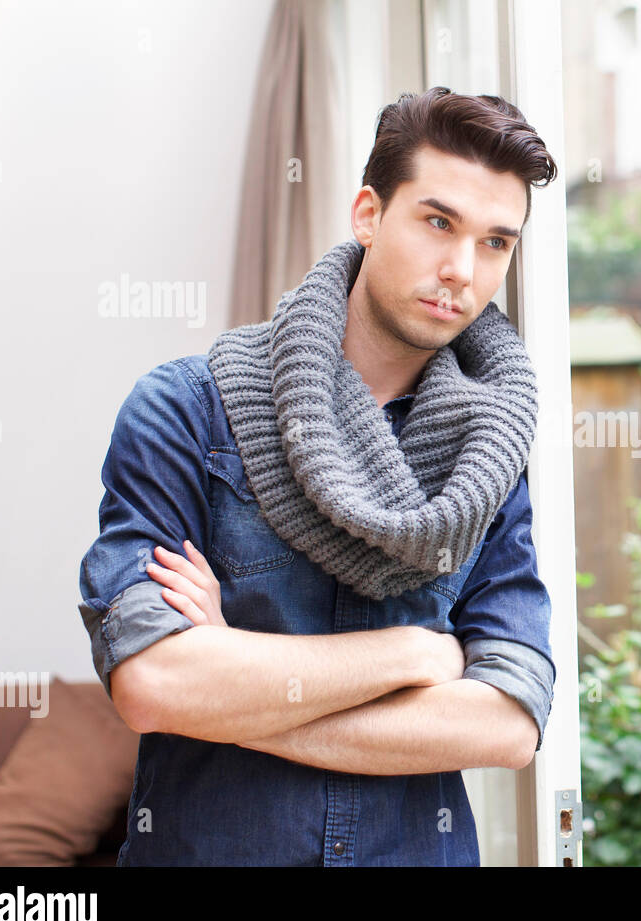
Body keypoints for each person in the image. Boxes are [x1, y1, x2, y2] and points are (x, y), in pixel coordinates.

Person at [76, 87, 559, 866]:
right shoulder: (185, 411)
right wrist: (412, 654)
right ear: (368, 214)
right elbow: (153, 684)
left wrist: (232, 683)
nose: (461, 271)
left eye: (495, 242)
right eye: (438, 222)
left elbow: (505, 726)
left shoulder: (488, 452)